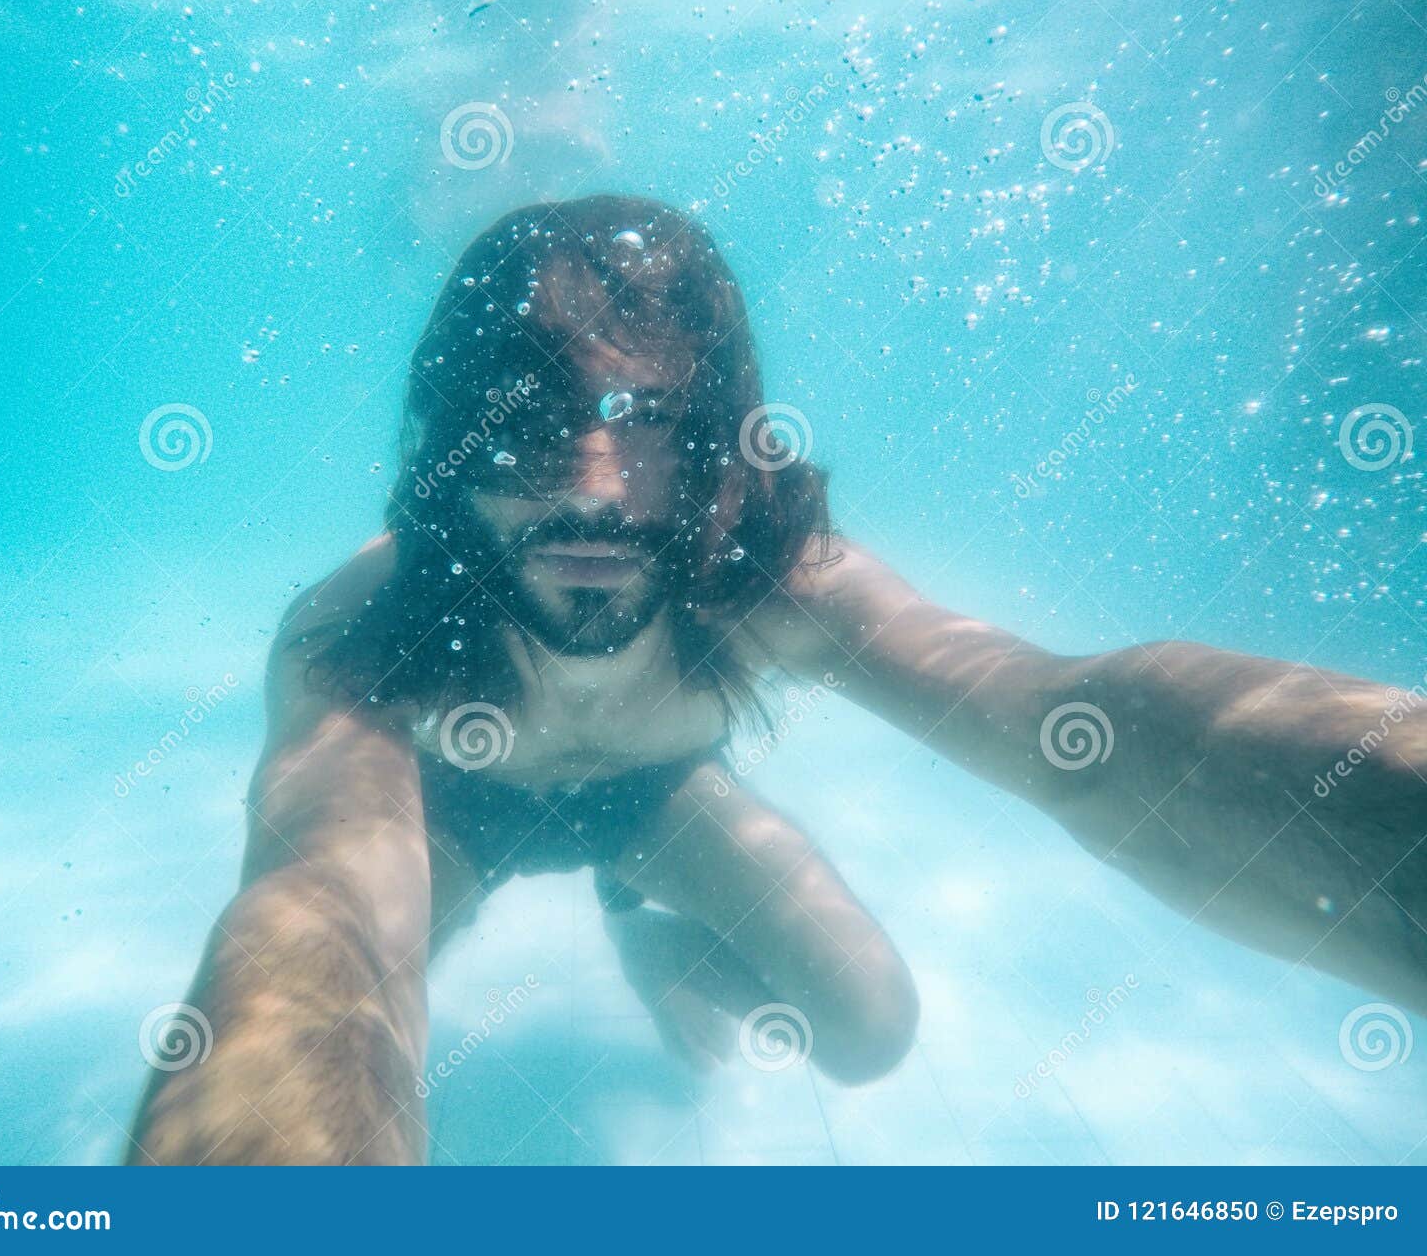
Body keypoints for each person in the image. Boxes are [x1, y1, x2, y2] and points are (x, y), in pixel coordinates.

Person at [127, 195, 1426, 1166]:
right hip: (451, 814)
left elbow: (1061, 716)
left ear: (716, 442)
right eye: (524, 414)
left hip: (654, 803)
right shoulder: (359, 628)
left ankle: (645, 926)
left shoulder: (777, 581)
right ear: (446, 442)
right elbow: (318, 898)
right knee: (352, 973)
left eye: (645, 423)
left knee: (868, 1028)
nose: (586, 482)